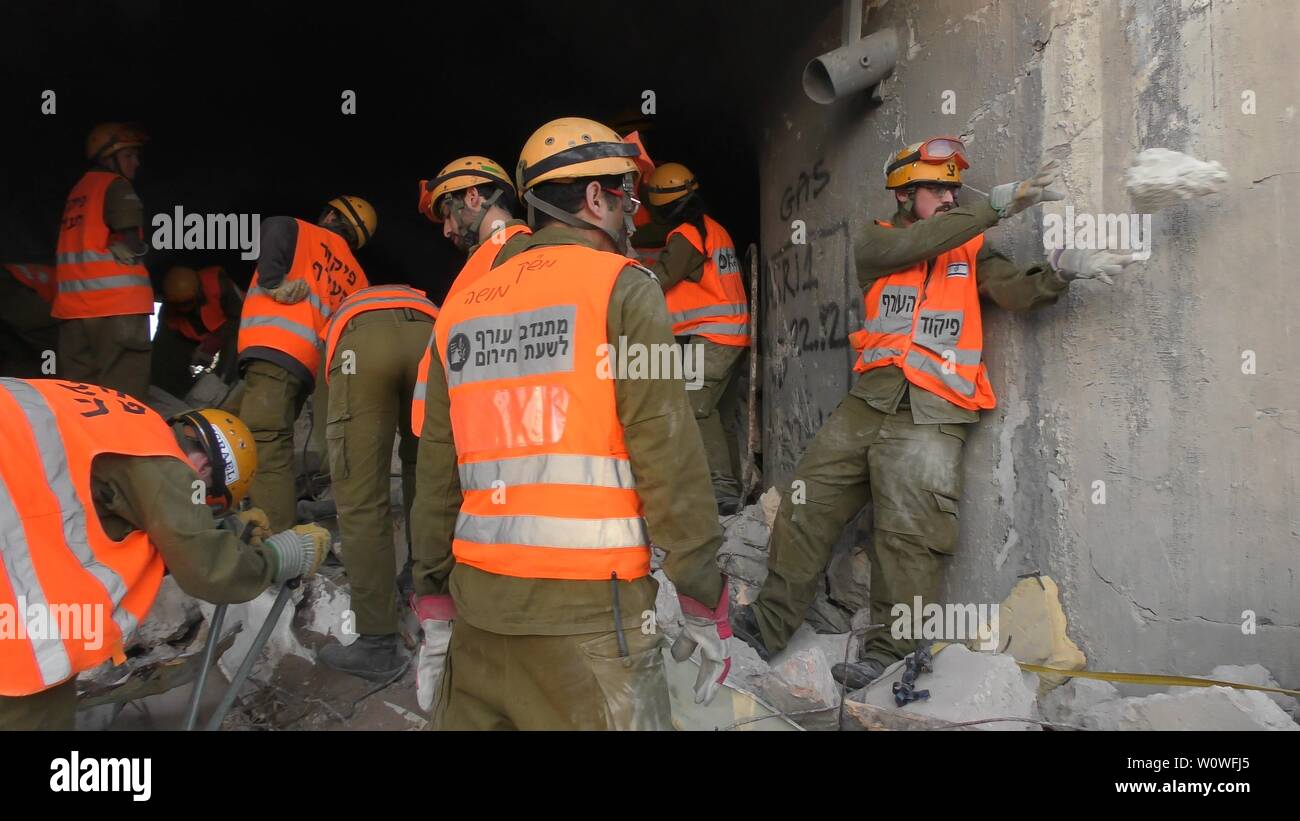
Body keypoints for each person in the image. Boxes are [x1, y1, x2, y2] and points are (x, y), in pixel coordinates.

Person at [732, 138, 1140, 688]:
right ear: (904, 194)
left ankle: (889, 653)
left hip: (934, 410)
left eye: (954, 186)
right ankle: (769, 622)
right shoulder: (877, 243)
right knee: (808, 503)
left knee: (909, 534)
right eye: (936, 187)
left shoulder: (973, 252)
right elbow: (921, 243)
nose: (949, 196)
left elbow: (1013, 291)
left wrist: (1061, 270)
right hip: (870, 400)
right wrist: (994, 205)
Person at [408, 118, 731, 730]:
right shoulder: (624, 290)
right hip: (593, 623)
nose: (634, 218)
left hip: (478, 618)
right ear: (593, 198)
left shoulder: (463, 304)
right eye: (625, 200)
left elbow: (437, 477)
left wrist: (433, 602)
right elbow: (669, 457)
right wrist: (700, 593)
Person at [0, 378, 329, 730]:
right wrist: (284, 555)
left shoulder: (124, 418)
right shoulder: (165, 462)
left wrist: (226, 530)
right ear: (203, 472)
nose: (200, 509)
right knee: (35, 693)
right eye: (207, 504)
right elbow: (210, 570)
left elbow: (136, 515)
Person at [235, 196, 375, 531]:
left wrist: (272, 282)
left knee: (266, 444)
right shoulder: (357, 279)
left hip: (274, 350)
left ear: (330, 215)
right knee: (270, 438)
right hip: (306, 369)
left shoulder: (306, 232)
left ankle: (276, 540)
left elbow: (276, 225)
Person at [52, 123, 154, 399]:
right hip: (117, 309)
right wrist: (141, 249)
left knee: (80, 398)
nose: (136, 162)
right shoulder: (117, 186)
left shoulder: (78, 192)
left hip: (74, 312)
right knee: (123, 397)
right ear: (108, 157)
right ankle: (122, 444)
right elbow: (132, 242)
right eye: (129, 156)